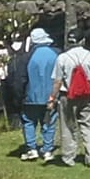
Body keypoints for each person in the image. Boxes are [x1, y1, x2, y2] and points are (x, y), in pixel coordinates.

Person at [49, 31, 90, 167]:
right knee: (89, 125)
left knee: (68, 126)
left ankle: (68, 158)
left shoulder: (62, 58)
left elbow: (57, 81)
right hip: (87, 96)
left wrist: (52, 98)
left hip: (67, 96)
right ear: (83, 41)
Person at [18, 28, 59, 161]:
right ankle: (47, 150)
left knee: (29, 121)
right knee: (49, 122)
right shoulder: (56, 54)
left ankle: (31, 149)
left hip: (31, 96)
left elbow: (22, 78)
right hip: (51, 95)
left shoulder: (27, 56)